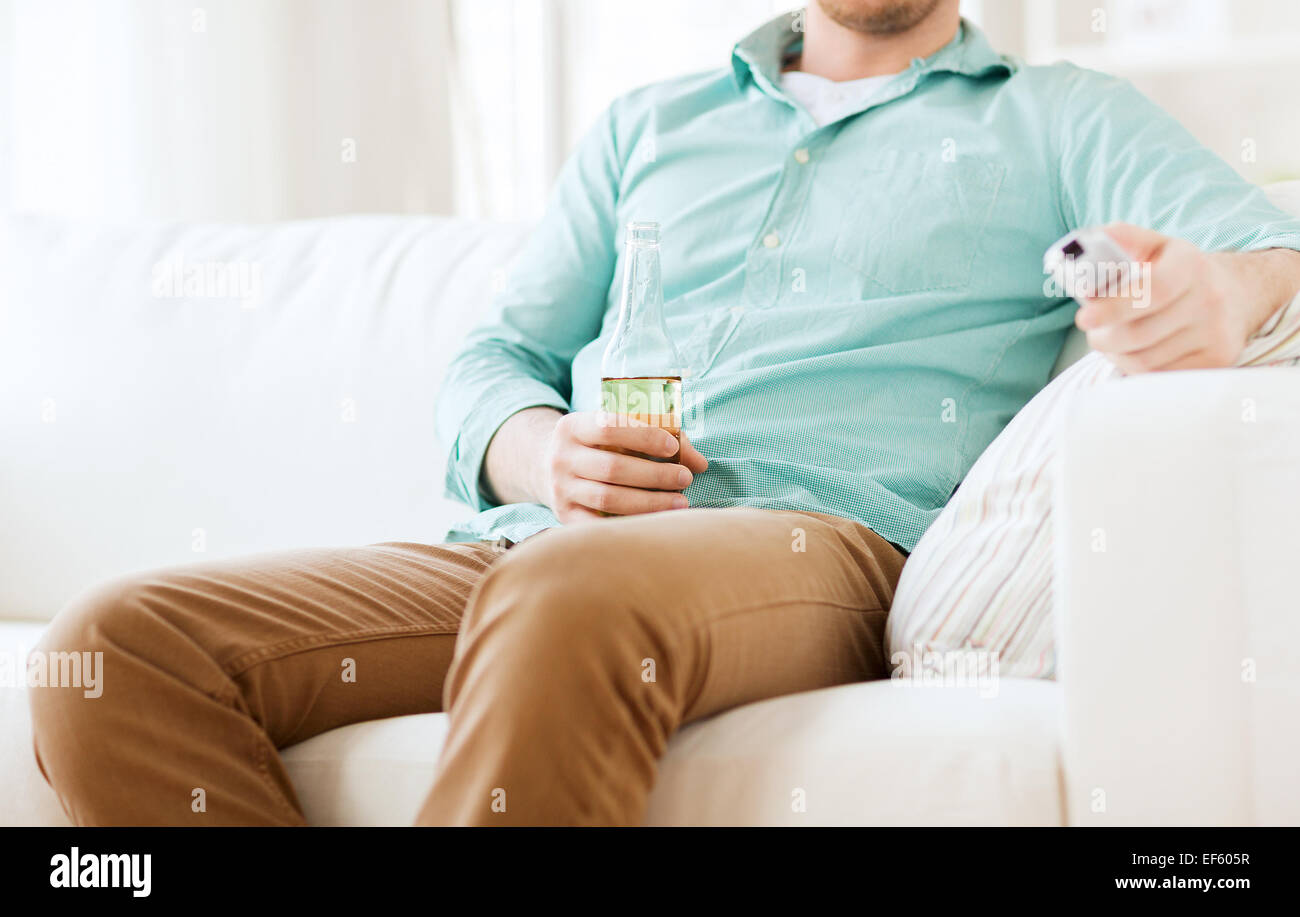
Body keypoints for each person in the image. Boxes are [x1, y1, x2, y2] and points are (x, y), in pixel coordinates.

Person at [31, 0, 1300, 826]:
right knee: (116, 651)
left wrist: (1217, 293)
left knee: (571, 600)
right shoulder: (649, 126)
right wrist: (542, 451)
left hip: (818, 551)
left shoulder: (1058, 116)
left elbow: (1267, 255)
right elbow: (493, 357)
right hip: (536, 545)